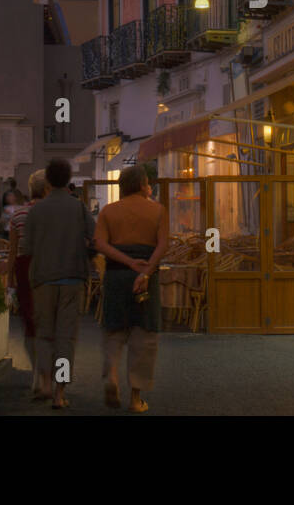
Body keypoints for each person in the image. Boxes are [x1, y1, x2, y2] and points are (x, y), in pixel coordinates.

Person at [94, 164, 168, 413]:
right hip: (146, 277)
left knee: (114, 330)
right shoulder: (158, 211)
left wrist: (126, 261)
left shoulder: (108, 211)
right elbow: (163, 246)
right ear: (142, 184)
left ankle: (111, 376)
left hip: (116, 275)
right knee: (143, 335)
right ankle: (136, 398)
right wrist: (144, 271)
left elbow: (100, 244)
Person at [23, 158, 95, 409]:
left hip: (43, 279)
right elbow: (95, 239)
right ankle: (59, 393)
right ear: (68, 181)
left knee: (44, 335)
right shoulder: (78, 208)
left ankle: (44, 381)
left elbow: (26, 248)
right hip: (73, 278)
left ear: (48, 181)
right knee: (66, 338)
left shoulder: (36, 211)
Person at [7, 171, 47, 396]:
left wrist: (10, 279)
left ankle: (36, 373)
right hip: (50, 268)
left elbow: (12, 251)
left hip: (24, 268)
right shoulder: (53, 213)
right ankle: (58, 381)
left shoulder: (18, 215)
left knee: (30, 323)